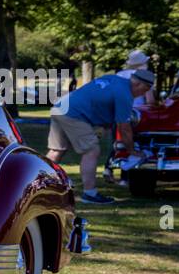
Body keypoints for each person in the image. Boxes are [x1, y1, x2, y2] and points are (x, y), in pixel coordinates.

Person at [47, 69, 153, 204]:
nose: (143, 94)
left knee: (57, 150)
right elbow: (124, 128)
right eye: (145, 90)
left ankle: (35, 183)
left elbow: (99, 101)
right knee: (92, 151)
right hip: (74, 114)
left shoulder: (113, 79)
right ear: (139, 84)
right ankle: (90, 194)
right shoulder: (125, 94)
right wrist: (132, 151)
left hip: (60, 107)